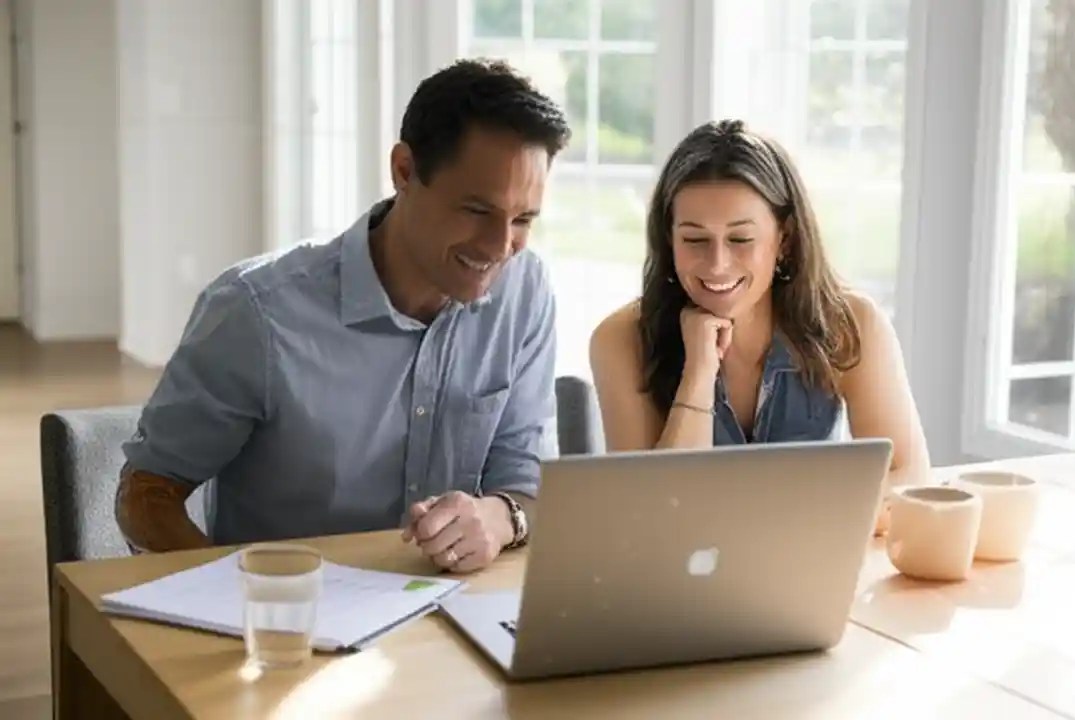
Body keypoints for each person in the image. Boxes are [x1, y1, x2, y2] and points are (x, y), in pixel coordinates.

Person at [116, 59, 570, 574]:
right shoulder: (256, 312)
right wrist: (229, 593)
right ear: (404, 170)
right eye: (476, 210)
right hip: (290, 625)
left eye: (523, 219)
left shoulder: (526, 290)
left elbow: (527, 480)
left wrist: (499, 515)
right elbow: (146, 493)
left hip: (451, 617)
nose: (499, 246)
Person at [589, 119, 929, 526]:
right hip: (681, 586)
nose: (717, 264)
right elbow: (649, 516)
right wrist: (698, 374)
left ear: (783, 239)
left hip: (809, 566)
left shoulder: (851, 324)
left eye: (740, 239)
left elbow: (908, 477)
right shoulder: (621, 339)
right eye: (694, 239)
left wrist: (777, 521)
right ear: (669, 239)